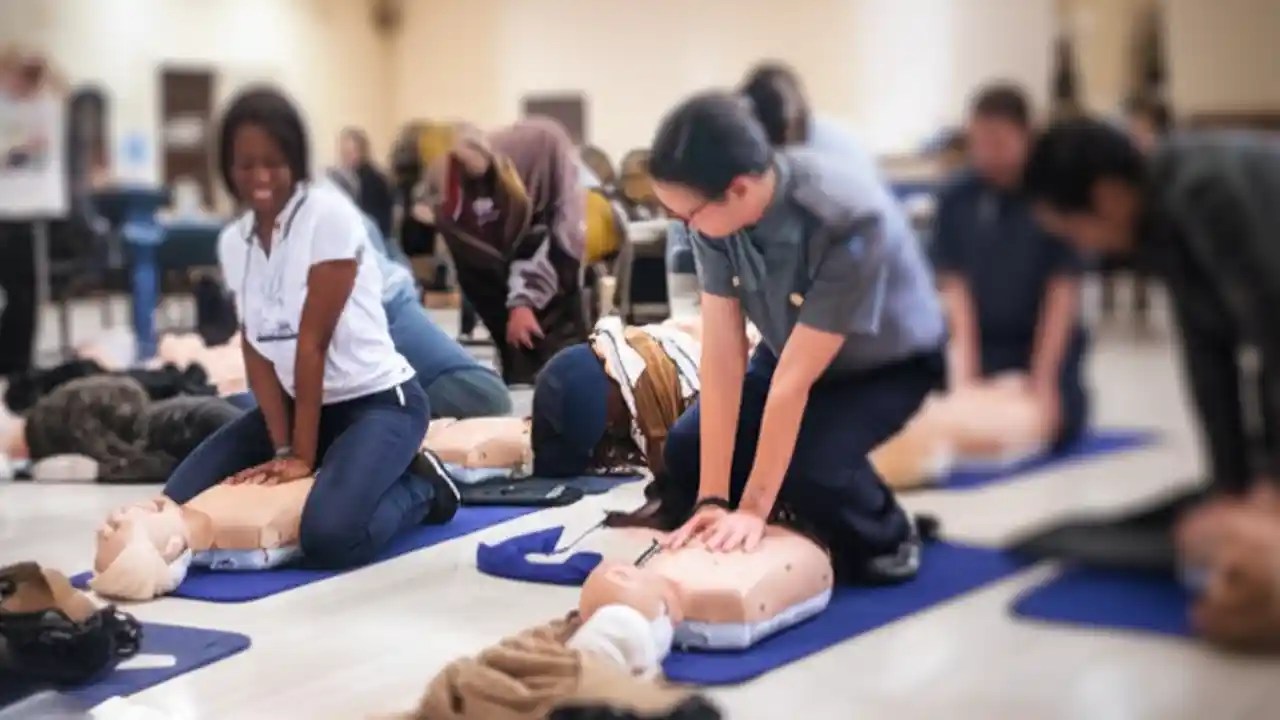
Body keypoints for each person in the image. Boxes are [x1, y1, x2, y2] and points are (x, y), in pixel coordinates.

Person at [646, 92, 947, 583]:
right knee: (687, 449)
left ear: (738, 189)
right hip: (790, 346)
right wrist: (713, 498)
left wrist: (752, 508)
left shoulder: (845, 217)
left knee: (810, 468)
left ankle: (891, 532)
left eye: (688, 216)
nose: (685, 228)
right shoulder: (715, 220)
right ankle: (794, 507)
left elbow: (792, 383)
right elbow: (723, 355)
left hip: (884, 364)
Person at [164, 87, 460, 569]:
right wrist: (280, 445)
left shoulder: (329, 217)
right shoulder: (234, 242)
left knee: (331, 538)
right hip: (295, 406)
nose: (259, 176)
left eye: (273, 162)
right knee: (176, 498)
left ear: (296, 161)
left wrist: (299, 457)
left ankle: (422, 484)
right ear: (226, 167)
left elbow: (312, 342)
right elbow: (257, 349)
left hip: (377, 404)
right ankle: (331, 459)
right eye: (245, 163)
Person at [1023, 119, 1280, 496]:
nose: (1083, 249)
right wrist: (1231, 487)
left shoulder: (1205, 192)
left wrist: (1272, 484)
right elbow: (1207, 355)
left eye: (1075, 231)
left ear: (1106, 196)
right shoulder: (1158, 216)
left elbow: (1274, 339)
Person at [932, 83, 1090, 450]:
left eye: (999, 142)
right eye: (979, 143)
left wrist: (1044, 377)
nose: (987, 154)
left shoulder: (1053, 197)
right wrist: (966, 374)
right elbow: (955, 289)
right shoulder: (957, 197)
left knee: (1043, 419)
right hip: (983, 344)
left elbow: (1062, 292)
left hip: (1038, 346)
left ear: (1026, 137)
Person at [427, 119, 589, 385]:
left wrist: (522, 303)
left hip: (540, 301)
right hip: (514, 296)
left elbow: (542, 240)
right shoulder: (464, 189)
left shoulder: (535, 158)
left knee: (552, 374)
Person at [337, 126, 396, 240]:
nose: (345, 158)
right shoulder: (345, 178)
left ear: (361, 152)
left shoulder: (372, 181)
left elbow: (370, 221)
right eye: (343, 153)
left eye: (349, 153)